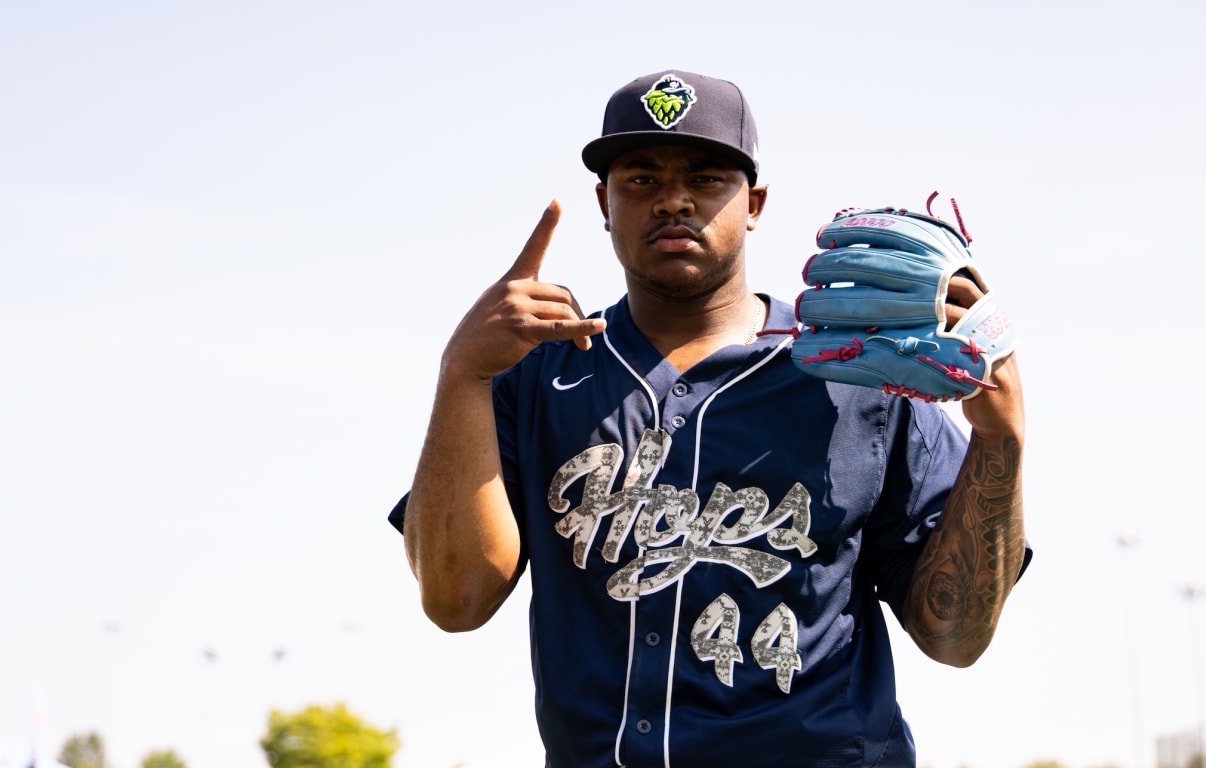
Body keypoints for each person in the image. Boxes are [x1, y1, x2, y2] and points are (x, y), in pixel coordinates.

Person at [389, 70, 1030, 767]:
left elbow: (955, 636)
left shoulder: (858, 375)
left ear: (753, 203)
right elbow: (457, 601)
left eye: (705, 175)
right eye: (639, 179)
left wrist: (1001, 438)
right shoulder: (538, 375)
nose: (673, 198)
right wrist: (463, 372)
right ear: (603, 203)